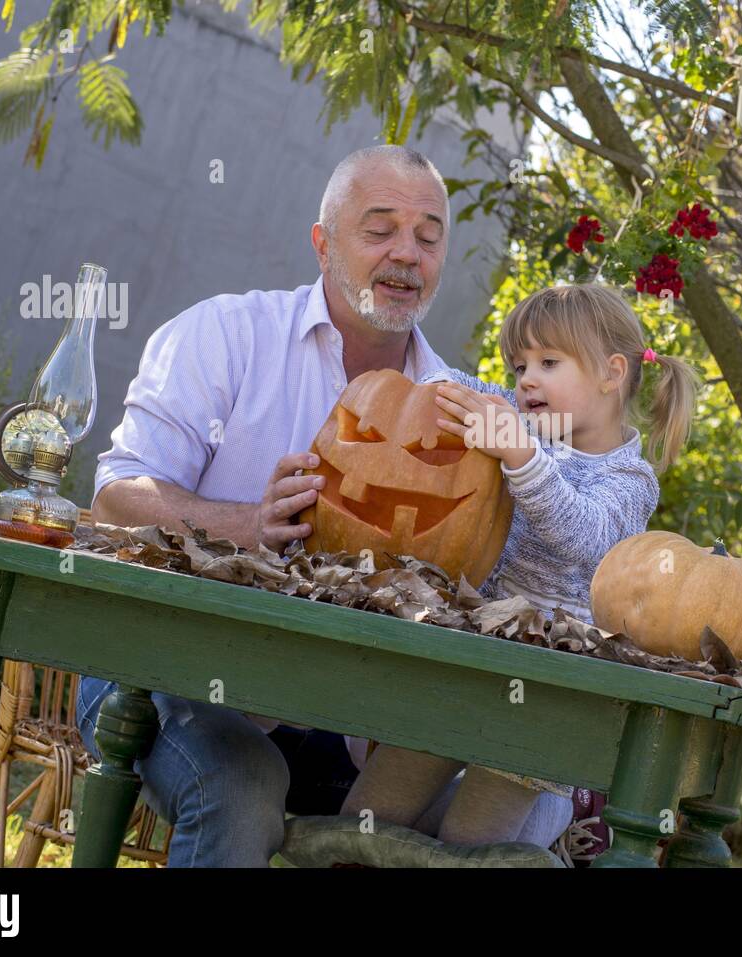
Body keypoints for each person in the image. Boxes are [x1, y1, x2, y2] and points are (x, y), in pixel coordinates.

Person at [74, 145, 567, 866]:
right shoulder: (226, 336)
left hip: (354, 723)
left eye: (428, 237)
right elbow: (114, 498)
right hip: (171, 676)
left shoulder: (469, 411)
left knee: (527, 806)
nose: (407, 254)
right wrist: (247, 524)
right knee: (241, 782)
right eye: (380, 229)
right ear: (323, 241)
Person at [340, 283, 700, 845]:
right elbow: (464, 387)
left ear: (611, 373)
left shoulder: (630, 481)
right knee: (369, 811)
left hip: (548, 692)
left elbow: (583, 534)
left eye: (548, 362)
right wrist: (434, 390)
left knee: (476, 838)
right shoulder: (527, 425)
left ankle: (555, 821)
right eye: (519, 364)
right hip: (471, 658)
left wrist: (522, 457)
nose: (525, 379)